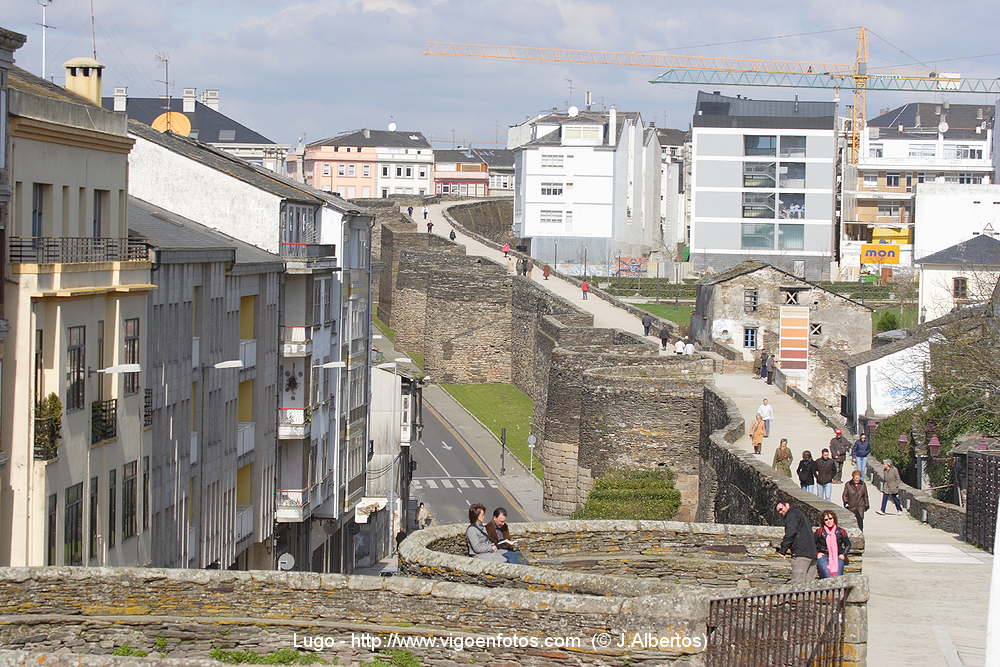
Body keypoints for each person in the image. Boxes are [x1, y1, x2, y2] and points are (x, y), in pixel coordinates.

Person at [776, 502, 817, 584]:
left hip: (801, 554)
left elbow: (790, 533)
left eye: (781, 509)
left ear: (787, 505)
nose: (780, 512)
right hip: (811, 554)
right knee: (810, 586)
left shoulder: (791, 515)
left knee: (797, 586)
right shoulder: (799, 514)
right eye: (778, 511)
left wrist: (782, 550)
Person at [814, 510, 851, 579]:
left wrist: (844, 554)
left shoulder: (841, 531)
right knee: (827, 576)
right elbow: (812, 544)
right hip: (823, 556)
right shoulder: (819, 531)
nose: (829, 521)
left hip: (837, 557)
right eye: (826, 520)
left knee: (837, 577)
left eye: (830, 518)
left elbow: (848, 544)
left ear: (834, 519)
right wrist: (817, 553)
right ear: (823, 521)